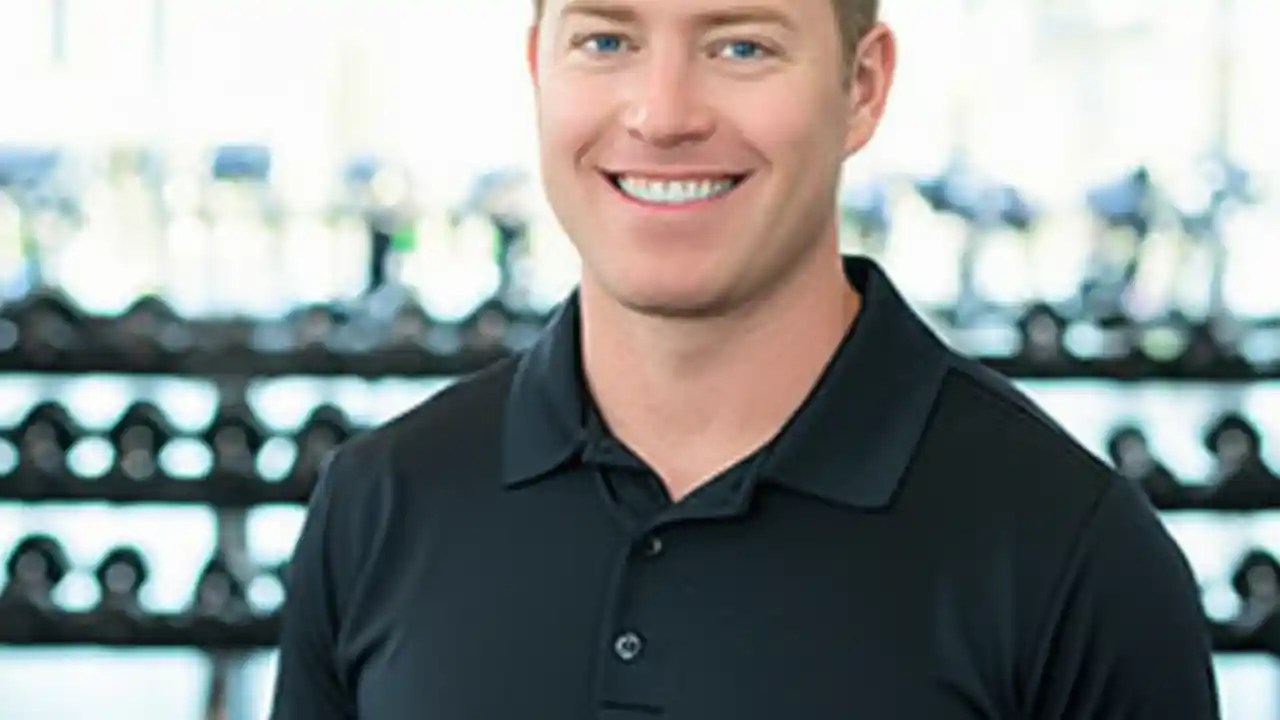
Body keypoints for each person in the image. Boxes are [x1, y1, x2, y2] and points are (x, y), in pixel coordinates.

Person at [270, 0, 1221, 717]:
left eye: (742, 45)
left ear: (862, 86)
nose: (663, 113)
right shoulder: (380, 501)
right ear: (537, 66)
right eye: (607, 40)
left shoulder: (1071, 553)